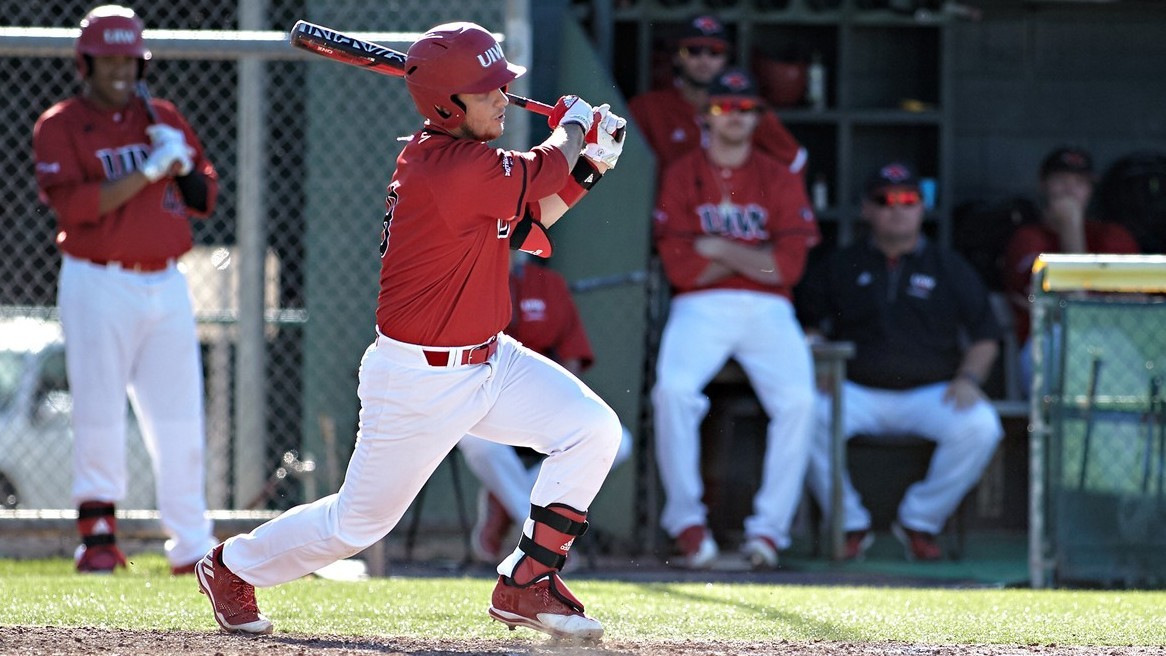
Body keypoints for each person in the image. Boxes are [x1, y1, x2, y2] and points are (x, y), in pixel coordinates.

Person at [193, 22, 626, 641]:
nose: (503, 99)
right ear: (447, 103)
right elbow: (536, 174)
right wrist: (576, 127)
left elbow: (533, 217)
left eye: (503, 87)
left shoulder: (474, 166)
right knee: (356, 526)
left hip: (490, 361)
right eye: (488, 91)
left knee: (591, 429)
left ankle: (528, 581)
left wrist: (590, 167)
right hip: (419, 379)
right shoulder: (444, 169)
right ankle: (230, 564)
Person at [32, 4, 219, 575]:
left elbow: (204, 199)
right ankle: (97, 536)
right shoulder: (59, 124)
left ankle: (191, 545)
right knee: (99, 408)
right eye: (108, 59)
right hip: (98, 278)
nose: (120, 70)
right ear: (85, 63)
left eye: (129, 60)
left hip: (165, 280)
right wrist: (146, 170)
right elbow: (77, 207)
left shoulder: (160, 115)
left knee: (181, 416)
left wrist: (180, 163)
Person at [651, 68, 820, 570]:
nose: (736, 118)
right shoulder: (683, 172)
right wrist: (756, 256)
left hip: (770, 307)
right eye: (725, 108)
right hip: (700, 306)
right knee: (673, 393)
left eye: (746, 109)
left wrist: (720, 248)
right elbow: (681, 267)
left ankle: (768, 532)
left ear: (757, 117)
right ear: (708, 114)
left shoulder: (777, 174)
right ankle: (686, 521)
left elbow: (788, 267)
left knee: (800, 402)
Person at [799, 162, 1005, 562]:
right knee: (803, 416)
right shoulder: (843, 264)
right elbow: (806, 326)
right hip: (854, 389)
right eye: (885, 200)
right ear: (866, 210)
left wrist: (968, 378)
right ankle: (848, 523)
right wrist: (820, 365)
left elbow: (986, 336)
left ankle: (920, 522)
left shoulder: (948, 266)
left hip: (931, 391)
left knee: (981, 426)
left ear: (921, 208)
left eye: (908, 200)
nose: (897, 209)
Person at [459, 252, 634, 564]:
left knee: (619, 441)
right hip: (477, 395)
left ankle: (504, 504)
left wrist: (563, 404)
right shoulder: (469, 278)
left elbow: (571, 357)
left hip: (534, 403)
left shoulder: (549, 285)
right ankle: (540, 545)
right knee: (479, 444)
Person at [1002, 146, 1140, 393]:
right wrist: (1071, 229)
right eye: (1061, 180)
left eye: (1080, 182)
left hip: (1113, 341)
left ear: (1090, 190)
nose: (1070, 189)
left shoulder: (1112, 236)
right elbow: (1074, 309)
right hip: (1045, 342)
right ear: (1043, 185)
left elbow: (1135, 303)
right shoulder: (1028, 239)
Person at [628, 13, 806, 175]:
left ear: (726, 59)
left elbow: (795, 162)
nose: (704, 60)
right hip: (674, 206)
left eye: (714, 52)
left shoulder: (745, 108)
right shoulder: (647, 108)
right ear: (676, 56)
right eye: (694, 51)